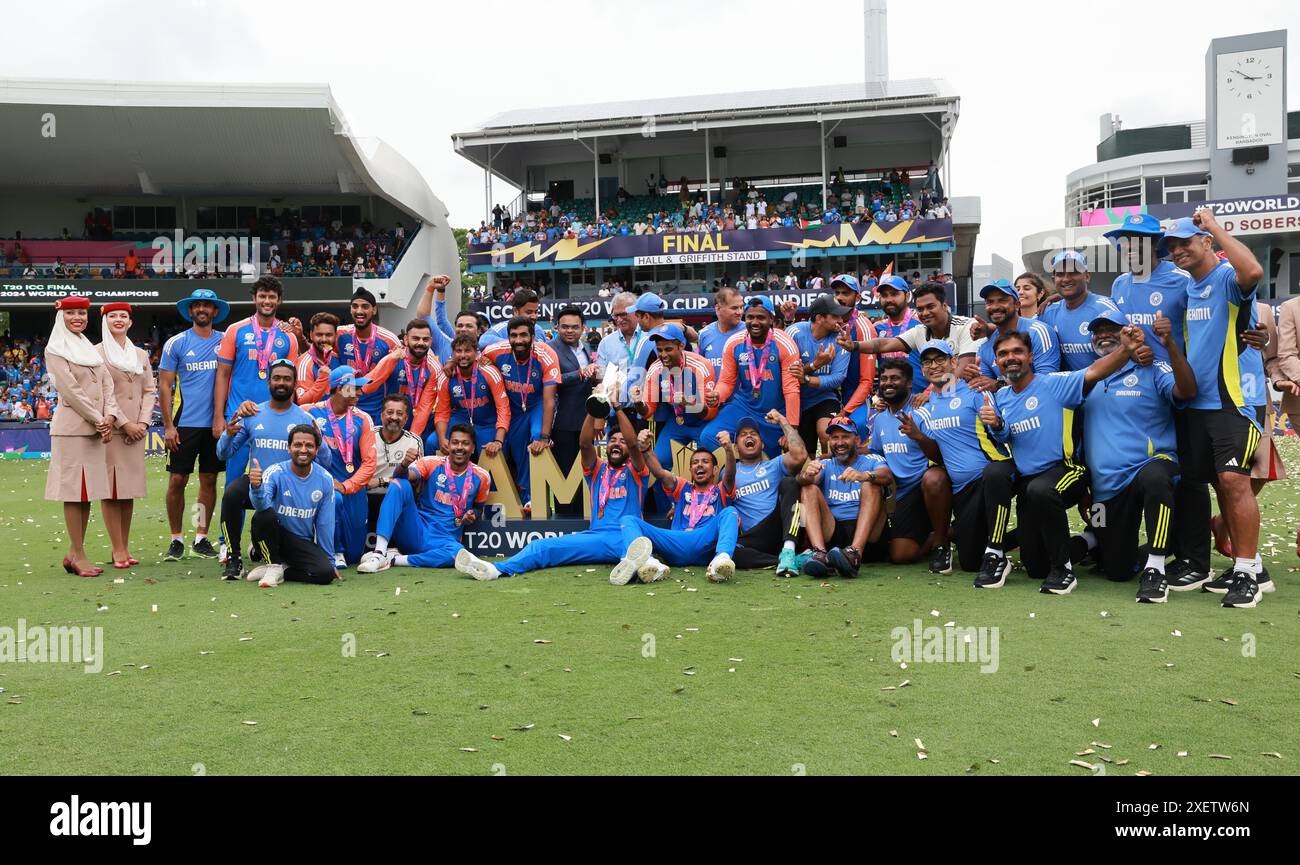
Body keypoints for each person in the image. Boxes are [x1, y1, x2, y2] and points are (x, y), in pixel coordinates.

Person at [980, 325, 1144, 594]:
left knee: (1040, 489)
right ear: (996, 362)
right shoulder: (1001, 397)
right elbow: (1004, 436)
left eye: (1017, 351)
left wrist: (1126, 349)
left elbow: (1095, 371)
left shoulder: (1053, 383)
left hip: (1067, 470)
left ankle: (1064, 570)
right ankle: (1085, 541)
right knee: (1035, 567)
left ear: (1031, 356)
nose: (1011, 357)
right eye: (1003, 353)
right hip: (1029, 481)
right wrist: (997, 424)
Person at [1160, 211, 1269, 607]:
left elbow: (1253, 271)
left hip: (1230, 401)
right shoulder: (1190, 289)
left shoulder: (1225, 277)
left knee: (1234, 481)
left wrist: (1213, 225)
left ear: (1207, 242)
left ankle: (1246, 578)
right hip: (1196, 404)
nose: (1177, 251)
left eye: (1185, 242)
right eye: (1171, 248)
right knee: (1217, 484)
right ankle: (1251, 566)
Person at [1081, 309, 1196, 602]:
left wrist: (1169, 344)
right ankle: (1157, 544)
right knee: (1116, 569)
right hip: (1105, 488)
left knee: (1156, 477)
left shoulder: (1153, 367)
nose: (1103, 335)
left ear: (1128, 333)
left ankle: (1155, 569)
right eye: (1098, 331)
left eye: (1112, 329)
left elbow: (1186, 391)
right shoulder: (1087, 377)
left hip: (1149, 465)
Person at [453, 408, 648, 580]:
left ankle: (643, 563)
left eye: (621, 441)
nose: (617, 444)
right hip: (596, 537)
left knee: (639, 553)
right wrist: (592, 409)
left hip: (627, 537)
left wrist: (617, 407)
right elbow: (584, 444)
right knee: (540, 547)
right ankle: (496, 569)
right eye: (612, 440)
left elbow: (633, 444)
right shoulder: (597, 470)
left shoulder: (637, 471)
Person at [908, 340, 1016, 583]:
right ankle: (1018, 537)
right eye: (927, 362)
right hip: (961, 489)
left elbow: (1003, 434)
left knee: (994, 476)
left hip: (990, 475)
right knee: (969, 562)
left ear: (953, 362)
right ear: (922, 369)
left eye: (940, 360)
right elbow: (936, 454)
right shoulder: (925, 406)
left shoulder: (975, 391)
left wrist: (997, 423)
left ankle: (999, 552)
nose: (934, 366)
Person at [215, 359, 321, 579]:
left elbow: (320, 459)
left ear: (294, 383)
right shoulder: (253, 413)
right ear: (269, 382)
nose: (281, 383)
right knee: (232, 493)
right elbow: (222, 454)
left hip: (289, 484)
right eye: (277, 378)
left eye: (286, 379)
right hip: (258, 481)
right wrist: (229, 434)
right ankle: (234, 557)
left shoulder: (303, 417)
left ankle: (264, 548)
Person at [44, 297, 119, 577]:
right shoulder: (56, 349)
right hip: (73, 430)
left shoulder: (88, 348)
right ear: (60, 316)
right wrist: (99, 419)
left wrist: (110, 415)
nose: (78, 317)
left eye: (82, 313)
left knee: (86, 493)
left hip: (96, 429)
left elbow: (107, 384)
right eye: (71, 313)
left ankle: (73, 552)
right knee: (75, 494)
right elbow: (71, 391)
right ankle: (80, 554)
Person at [213, 276, 300, 510]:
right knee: (234, 485)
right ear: (254, 298)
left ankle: (266, 541)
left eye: (272, 296)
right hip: (239, 417)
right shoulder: (235, 330)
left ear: (279, 300)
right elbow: (222, 375)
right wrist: (219, 417)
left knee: (276, 481)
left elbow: (291, 382)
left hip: (273, 420)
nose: (267, 301)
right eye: (262, 296)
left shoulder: (288, 336)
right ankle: (227, 543)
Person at [357, 424, 491, 573]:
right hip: (417, 529)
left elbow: (478, 508)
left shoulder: (482, 476)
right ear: (448, 444)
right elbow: (403, 476)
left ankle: (394, 559)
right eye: (455, 442)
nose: (459, 447)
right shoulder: (431, 462)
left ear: (473, 448)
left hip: (445, 539)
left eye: (465, 443)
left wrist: (472, 514)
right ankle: (380, 553)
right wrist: (404, 464)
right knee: (398, 484)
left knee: (458, 554)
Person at [610, 431, 739, 585]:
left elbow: (730, 476)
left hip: (704, 541)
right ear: (690, 470)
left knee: (730, 512)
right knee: (628, 520)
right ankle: (649, 563)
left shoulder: (721, 491)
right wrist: (645, 450)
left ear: (715, 469)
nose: (699, 465)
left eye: (705, 461)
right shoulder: (682, 487)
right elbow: (659, 473)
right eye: (695, 463)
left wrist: (729, 449)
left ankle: (721, 561)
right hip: (675, 542)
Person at [158, 289, 228, 560]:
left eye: (207, 306)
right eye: (197, 305)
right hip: (184, 423)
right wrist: (167, 426)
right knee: (177, 480)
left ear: (214, 311)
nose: (202, 309)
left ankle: (201, 537)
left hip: (215, 424)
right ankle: (176, 538)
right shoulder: (175, 343)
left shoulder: (225, 341)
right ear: (190, 311)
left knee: (208, 480)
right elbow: (164, 385)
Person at [95, 303, 156, 569]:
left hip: (136, 432)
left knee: (128, 491)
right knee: (110, 490)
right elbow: (101, 394)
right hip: (113, 430)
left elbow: (149, 391)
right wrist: (125, 423)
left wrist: (142, 422)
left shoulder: (140, 355)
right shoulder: (95, 354)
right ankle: (117, 548)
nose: (118, 320)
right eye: (113, 316)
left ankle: (125, 546)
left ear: (130, 322)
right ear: (105, 320)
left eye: (123, 316)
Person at [700, 296, 801, 455]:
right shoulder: (734, 343)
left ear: (771, 319)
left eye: (760, 317)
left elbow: (791, 389)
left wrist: (791, 429)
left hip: (774, 413)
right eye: (750, 317)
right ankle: (735, 473)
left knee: (769, 457)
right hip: (744, 406)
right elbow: (726, 382)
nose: (754, 322)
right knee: (709, 437)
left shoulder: (784, 343)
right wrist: (718, 394)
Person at [480, 316, 560, 509]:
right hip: (512, 410)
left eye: (523, 335)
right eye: (513, 336)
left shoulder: (546, 354)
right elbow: (475, 361)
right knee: (518, 453)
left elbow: (549, 400)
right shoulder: (495, 351)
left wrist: (544, 436)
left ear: (532, 337)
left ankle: (538, 499)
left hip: (536, 405)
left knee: (536, 440)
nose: (518, 340)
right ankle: (523, 497)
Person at [302, 366, 378, 568]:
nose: (360, 392)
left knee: (354, 555)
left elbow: (370, 463)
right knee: (334, 499)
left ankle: (334, 547)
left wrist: (347, 486)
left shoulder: (363, 419)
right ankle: (332, 551)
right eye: (355, 388)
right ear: (339, 388)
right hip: (320, 488)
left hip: (352, 489)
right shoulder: (309, 413)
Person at [798, 416, 891, 579]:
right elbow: (805, 480)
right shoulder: (824, 464)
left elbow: (887, 476)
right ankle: (820, 555)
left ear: (857, 440)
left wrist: (863, 475)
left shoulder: (872, 460)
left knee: (871, 484)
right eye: (834, 437)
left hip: (869, 537)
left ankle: (855, 554)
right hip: (835, 534)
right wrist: (807, 474)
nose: (839, 442)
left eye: (845, 436)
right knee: (808, 489)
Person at [246, 425, 339, 587]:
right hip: (273, 535)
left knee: (325, 574)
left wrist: (330, 562)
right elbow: (261, 506)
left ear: (317, 450)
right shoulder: (274, 472)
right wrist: (257, 488)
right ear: (289, 449)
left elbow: (325, 524)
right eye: (298, 445)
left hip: (300, 542)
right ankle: (272, 564)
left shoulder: (325, 479)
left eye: (309, 445)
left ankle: (283, 570)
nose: (303, 450)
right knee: (264, 514)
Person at [630, 324, 715, 487]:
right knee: (657, 464)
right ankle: (667, 510)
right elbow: (647, 411)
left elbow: (710, 413)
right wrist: (638, 402)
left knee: (710, 464)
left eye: (668, 349)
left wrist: (692, 404)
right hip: (677, 422)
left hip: (703, 424)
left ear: (681, 346)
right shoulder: (655, 369)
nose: (663, 355)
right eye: (659, 350)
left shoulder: (701, 366)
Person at [724, 411, 809, 575]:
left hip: (780, 528)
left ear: (762, 444)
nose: (749, 436)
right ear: (735, 447)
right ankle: (787, 560)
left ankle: (789, 549)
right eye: (743, 434)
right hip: (755, 537)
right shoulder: (729, 472)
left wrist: (783, 421)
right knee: (727, 552)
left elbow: (800, 455)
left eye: (754, 433)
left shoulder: (775, 464)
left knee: (790, 482)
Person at [548, 306, 598, 513]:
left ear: (583, 328)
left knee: (587, 469)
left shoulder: (586, 347)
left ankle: (585, 513)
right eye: (565, 327)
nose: (570, 331)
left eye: (575, 327)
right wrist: (580, 373)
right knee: (566, 473)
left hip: (586, 419)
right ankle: (565, 519)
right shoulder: (550, 348)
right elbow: (551, 380)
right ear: (556, 327)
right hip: (563, 422)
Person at [787, 294, 850, 455]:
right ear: (820, 318)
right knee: (803, 453)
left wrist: (806, 378)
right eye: (835, 316)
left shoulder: (840, 338)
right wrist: (816, 364)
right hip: (797, 400)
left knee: (827, 433)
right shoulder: (794, 333)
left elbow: (838, 378)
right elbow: (789, 374)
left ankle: (832, 473)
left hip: (825, 397)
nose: (841, 320)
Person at [360, 319, 442, 442]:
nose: (420, 343)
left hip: (415, 421)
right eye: (415, 338)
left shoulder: (434, 367)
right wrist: (390, 360)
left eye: (425, 339)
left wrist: (411, 440)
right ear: (406, 339)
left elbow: (424, 408)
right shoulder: (393, 357)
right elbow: (367, 387)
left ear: (430, 341)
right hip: (388, 417)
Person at [969, 280, 1061, 390]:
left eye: (1002, 300)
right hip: (1005, 406)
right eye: (990, 302)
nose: (995, 307)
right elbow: (985, 387)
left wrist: (1000, 385)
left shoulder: (1038, 332)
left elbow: (1047, 381)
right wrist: (973, 379)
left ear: (1017, 305)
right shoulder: (984, 347)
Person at [1039, 251, 1122, 371]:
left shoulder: (1105, 308)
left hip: (1106, 386)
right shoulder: (1048, 312)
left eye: (1073, 273)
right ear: (1054, 280)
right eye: (1060, 274)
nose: (1066, 279)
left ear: (1087, 276)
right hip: (1070, 388)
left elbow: (1127, 350)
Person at [436, 333, 509, 461]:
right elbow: (442, 412)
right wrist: (442, 439)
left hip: (487, 423)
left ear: (476, 353)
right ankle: (444, 480)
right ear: (452, 354)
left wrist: (498, 440)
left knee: (490, 450)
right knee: (433, 443)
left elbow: (503, 408)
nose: (463, 355)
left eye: (467, 351)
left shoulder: (489, 372)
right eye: (458, 351)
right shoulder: (446, 376)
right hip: (460, 421)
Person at [334, 288, 402, 421]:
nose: (359, 311)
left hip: (376, 410)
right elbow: (318, 354)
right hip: (346, 405)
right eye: (355, 306)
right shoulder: (339, 334)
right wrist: (300, 337)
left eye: (365, 307)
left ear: (374, 310)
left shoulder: (389, 339)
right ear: (350, 309)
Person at [366, 393, 425, 526]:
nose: (394, 417)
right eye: (390, 412)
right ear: (381, 415)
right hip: (368, 496)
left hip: (398, 497)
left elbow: (413, 480)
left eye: (399, 413)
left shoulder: (414, 441)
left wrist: (380, 481)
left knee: (404, 486)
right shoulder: (368, 435)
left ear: (406, 418)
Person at [873, 275, 925, 390]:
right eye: (884, 295)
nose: (889, 299)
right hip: (891, 401)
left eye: (894, 294)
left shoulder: (922, 324)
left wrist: (927, 394)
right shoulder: (877, 328)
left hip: (919, 401)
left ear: (907, 296)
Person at [697, 287, 745, 379]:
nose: (739, 312)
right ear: (718, 308)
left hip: (744, 393)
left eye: (741, 307)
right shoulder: (704, 334)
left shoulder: (750, 332)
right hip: (715, 392)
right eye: (734, 308)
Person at [477, 288, 547, 350]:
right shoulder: (500, 330)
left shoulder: (539, 330)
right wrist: (516, 344)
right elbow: (483, 342)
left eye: (536, 312)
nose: (534, 316)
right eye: (529, 312)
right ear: (515, 311)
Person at [295, 312, 341, 404]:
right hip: (315, 417)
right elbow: (302, 402)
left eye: (329, 335)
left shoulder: (338, 358)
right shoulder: (304, 363)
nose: (324, 339)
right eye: (319, 335)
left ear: (335, 336)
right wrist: (322, 379)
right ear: (311, 335)